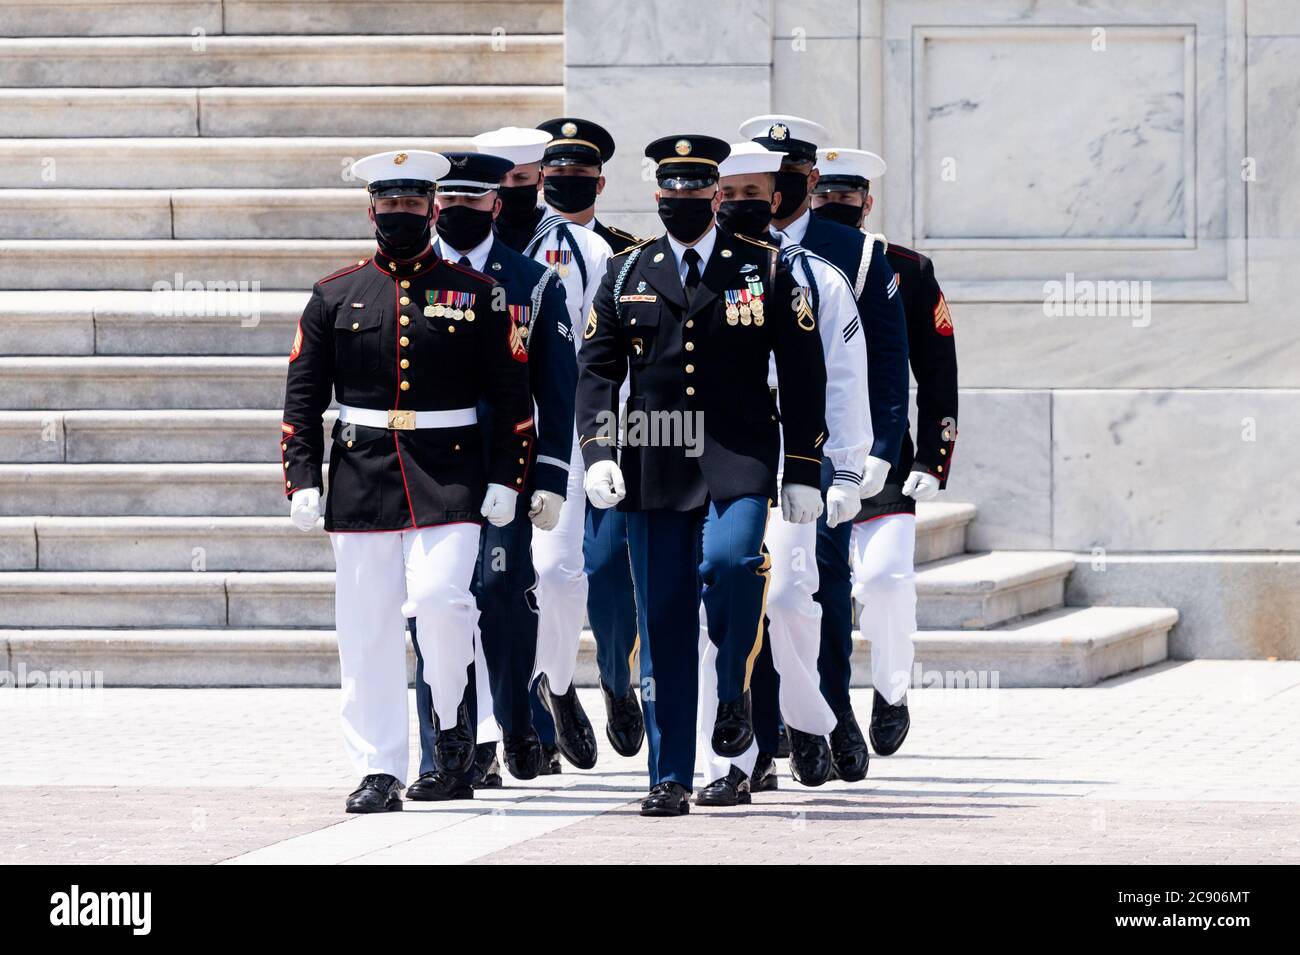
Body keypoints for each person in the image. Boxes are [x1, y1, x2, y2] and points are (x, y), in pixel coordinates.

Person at [577, 134, 828, 816]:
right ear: (657, 198)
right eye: (672, 194)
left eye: (697, 192)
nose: (684, 203)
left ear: (717, 196)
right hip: (654, 454)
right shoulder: (628, 271)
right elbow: (598, 370)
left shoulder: (766, 268)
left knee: (734, 562)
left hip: (738, 450)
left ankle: (735, 691)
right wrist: (599, 452)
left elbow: (805, 376)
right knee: (661, 619)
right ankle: (668, 773)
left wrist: (804, 467)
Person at [281, 149, 534, 813]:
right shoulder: (336, 295)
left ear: (432, 208)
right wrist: (302, 477)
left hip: (449, 471)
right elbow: (302, 398)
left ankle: (451, 731)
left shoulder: (478, 294)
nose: (400, 215)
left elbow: (511, 396)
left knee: (443, 600)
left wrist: (511, 475)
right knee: (364, 629)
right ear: (371, 211)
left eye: (412, 204)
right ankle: (379, 767)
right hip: (362, 476)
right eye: (388, 205)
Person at [691, 142, 876, 805]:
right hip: (712, 453)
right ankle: (737, 757)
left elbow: (844, 379)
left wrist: (849, 469)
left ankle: (807, 718)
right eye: (727, 192)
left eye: (751, 192)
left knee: (790, 599)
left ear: (776, 199)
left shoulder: (815, 277)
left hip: (795, 453)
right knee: (728, 595)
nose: (738, 204)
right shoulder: (689, 273)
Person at [739, 114, 909, 782]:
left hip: (823, 451)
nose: (773, 191)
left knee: (815, 589)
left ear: (811, 180)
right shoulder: (722, 245)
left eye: (786, 179)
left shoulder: (854, 254)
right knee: (746, 593)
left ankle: (826, 706)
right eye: (763, 178)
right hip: (743, 449)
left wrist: (870, 454)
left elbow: (882, 364)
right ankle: (760, 731)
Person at [404, 152, 576, 800]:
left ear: (496, 206)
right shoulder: (412, 278)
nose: (456, 212)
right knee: (439, 604)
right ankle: (450, 749)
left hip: (510, 463)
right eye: (446, 201)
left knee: (501, 595)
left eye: (472, 201)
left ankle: (518, 716)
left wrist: (553, 476)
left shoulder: (533, 282)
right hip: (433, 469)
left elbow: (558, 389)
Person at [811, 146, 959, 756]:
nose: (834, 207)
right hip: (808, 451)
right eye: (825, 197)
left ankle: (892, 688)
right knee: (808, 590)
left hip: (885, 457)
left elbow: (937, 370)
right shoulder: (778, 262)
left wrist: (932, 457)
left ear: (867, 204)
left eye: (846, 199)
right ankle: (826, 707)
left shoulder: (905, 268)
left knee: (887, 579)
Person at [474, 126, 613, 772]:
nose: (514, 194)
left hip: (559, 434)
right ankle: (485, 732)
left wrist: (602, 439)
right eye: (502, 185)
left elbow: (599, 357)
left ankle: (555, 685)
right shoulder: (463, 245)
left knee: (558, 574)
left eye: (525, 183)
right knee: (483, 587)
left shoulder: (582, 249)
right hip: (481, 439)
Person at [535, 116, 645, 758]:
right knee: (541, 572)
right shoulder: (523, 246)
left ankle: (616, 679)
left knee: (607, 568)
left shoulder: (626, 253)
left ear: (600, 181)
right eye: (556, 175)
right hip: (541, 430)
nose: (567, 184)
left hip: (612, 429)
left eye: (579, 176)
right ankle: (550, 691)